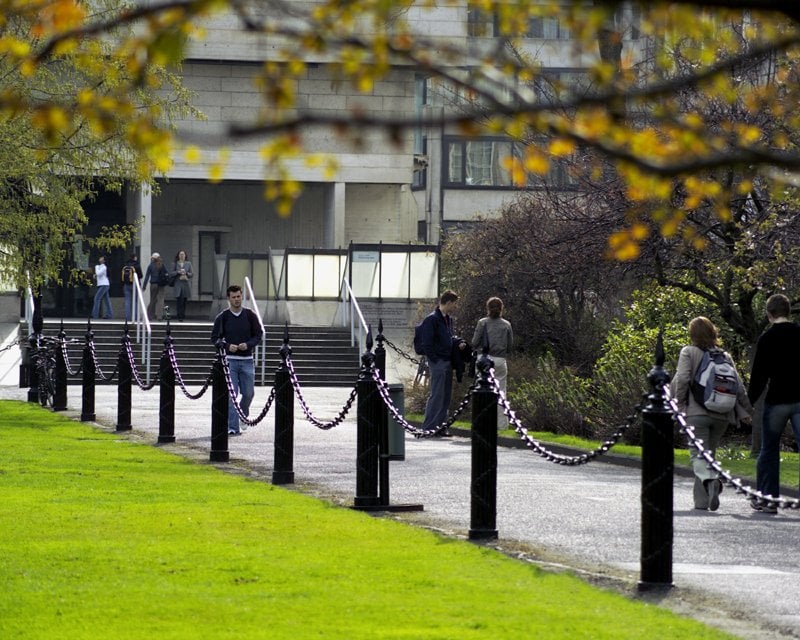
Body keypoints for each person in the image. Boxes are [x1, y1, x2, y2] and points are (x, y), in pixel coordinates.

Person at [672, 316, 751, 511]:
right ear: (713, 332)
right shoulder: (725, 356)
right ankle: (702, 502)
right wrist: (747, 411)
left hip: (696, 413)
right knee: (708, 455)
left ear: (692, 334)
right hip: (722, 415)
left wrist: (679, 403)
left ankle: (712, 482)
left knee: (698, 456)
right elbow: (738, 387)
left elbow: (682, 378)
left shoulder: (688, 352)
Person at [747, 293, 800, 514]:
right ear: (788, 311)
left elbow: (759, 376)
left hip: (777, 399)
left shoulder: (767, 339)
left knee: (768, 451)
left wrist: (747, 403)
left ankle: (768, 500)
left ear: (769, 314)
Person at [210, 284, 264, 435]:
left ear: (242, 297)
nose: (236, 300)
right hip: (230, 361)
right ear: (229, 299)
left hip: (247, 360)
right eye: (233, 297)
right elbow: (214, 339)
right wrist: (227, 346)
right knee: (232, 394)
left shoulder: (250, 315)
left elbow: (258, 335)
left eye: (238, 297)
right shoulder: (223, 317)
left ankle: (243, 414)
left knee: (248, 393)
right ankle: (232, 428)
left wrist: (248, 344)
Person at [419, 290, 466, 435]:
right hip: (439, 361)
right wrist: (435, 359)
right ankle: (429, 427)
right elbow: (427, 343)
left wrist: (458, 343)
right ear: (449, 302)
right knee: (437, 394)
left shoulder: (448, 319)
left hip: (447, 360)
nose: (455, 307)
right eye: (454, 304)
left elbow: (449, 338)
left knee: (445, 395)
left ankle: (440, 427)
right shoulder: (432, 319)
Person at [471, 296, 514, 430]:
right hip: (500, 360)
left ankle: (482, 422)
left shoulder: (482, 323)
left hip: (484, 360)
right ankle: (501, 426)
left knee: (482, 392)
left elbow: (474, 342)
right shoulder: (507, 324)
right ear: (502, 309)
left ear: (487, 308)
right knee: (501, 392)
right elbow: (510, 346)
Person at [141, 252, 169, 321]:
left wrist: (144, 286)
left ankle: (149, 316)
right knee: (161, 300)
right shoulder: (162, 265)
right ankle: (160, 317)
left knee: (152, 300)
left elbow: (147, 277)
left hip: (153, 285)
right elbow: (166, 274)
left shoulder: (150, 266)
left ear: (153, 259)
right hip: (161, 285)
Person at [172, 250, 193, 321]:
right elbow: (171, 273)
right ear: (178, 256)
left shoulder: (188, 263)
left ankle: (183, 314)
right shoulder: (175, 263)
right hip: (178, 284)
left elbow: (192, 274)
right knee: (179, 300)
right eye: (180, 254)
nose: (182, 256)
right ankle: (179, 315)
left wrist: (186, 273)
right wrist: (178, 272)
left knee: (184, 301)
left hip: (185, 284)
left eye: (183, 254)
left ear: (185, 255)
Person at [121, 254, 143, 322]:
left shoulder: (126, 264)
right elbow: (141, 275)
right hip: (135, 284)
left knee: (127, 301)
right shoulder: (136, 264)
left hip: (126, 285)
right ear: (135, 258)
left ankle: (128, 318)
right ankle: (136, 317)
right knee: (136, 301)